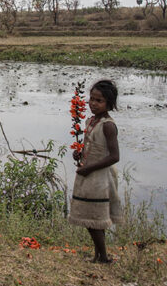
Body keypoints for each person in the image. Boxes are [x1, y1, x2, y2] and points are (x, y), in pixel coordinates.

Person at [68, 79, 124, 264]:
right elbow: (91, 146)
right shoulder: (91, 121)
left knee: (95, 218)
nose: (93, 103)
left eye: (99, 100)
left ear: (109, 103)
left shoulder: (108, 125)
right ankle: (99, 255)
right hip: (88, 172)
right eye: (91, 99)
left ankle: (103, 257)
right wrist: (80, 153)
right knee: (89, 217)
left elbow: (114, 156)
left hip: (99, 176)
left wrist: (88, 168)